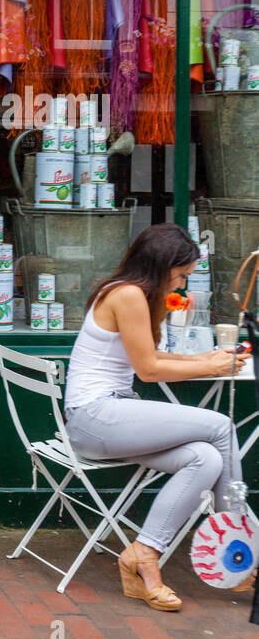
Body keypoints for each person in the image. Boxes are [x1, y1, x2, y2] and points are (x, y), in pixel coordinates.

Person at [64, 223, 253, 611]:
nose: (182, 284)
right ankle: (239, 545)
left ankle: (143, 555)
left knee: (206, 457)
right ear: (160, 265)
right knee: (220, 425)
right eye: (181, 275)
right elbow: (149, 370)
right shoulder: (128, 295)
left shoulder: (129, 292)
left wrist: (207, 359)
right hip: (95, 417)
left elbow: (147, 360)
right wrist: (210, 368)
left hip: (109, 417)